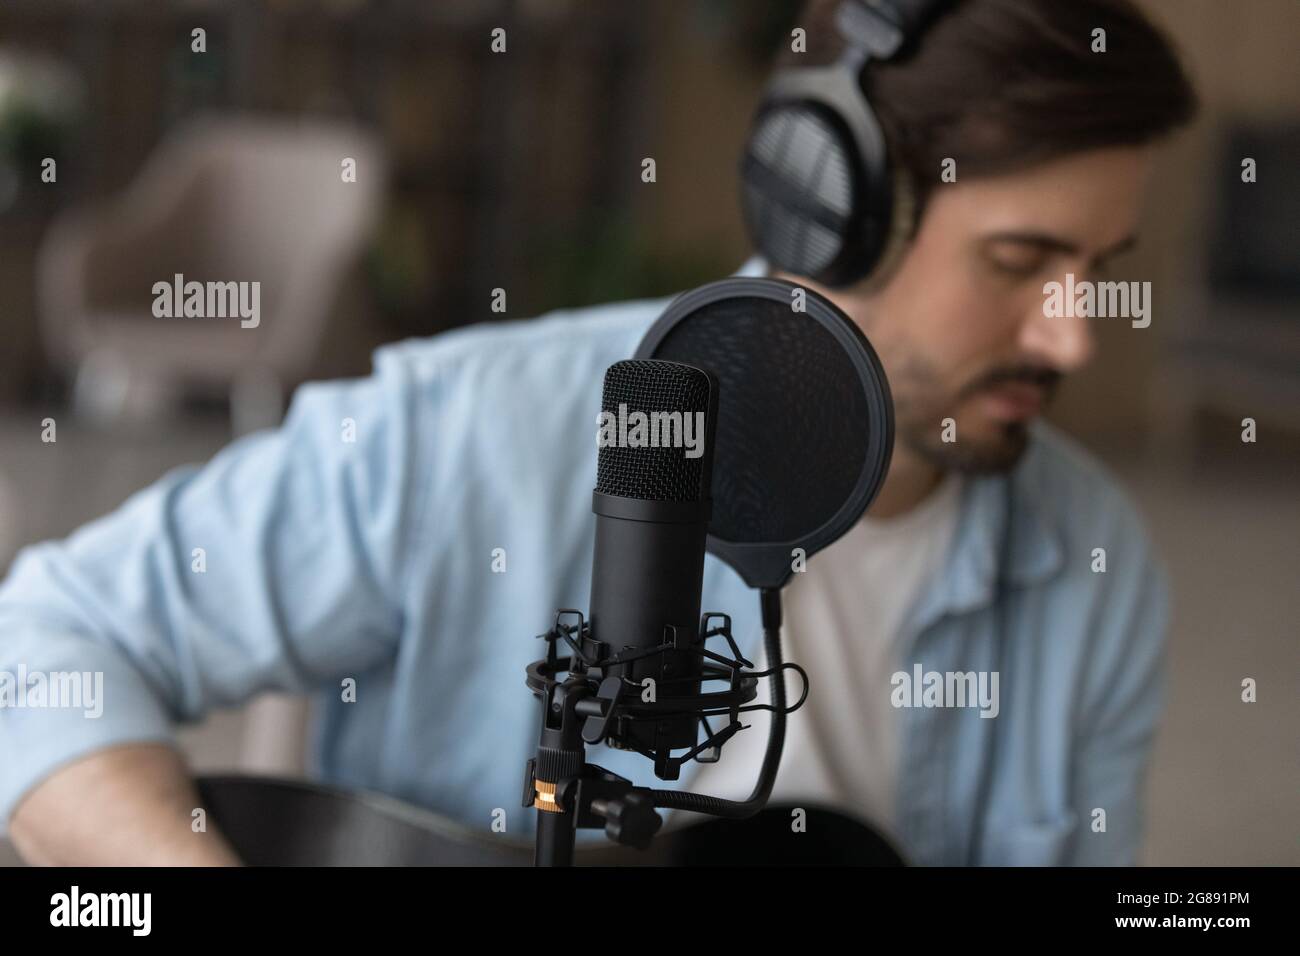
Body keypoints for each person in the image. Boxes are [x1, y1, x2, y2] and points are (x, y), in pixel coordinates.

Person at [0, 0, 1196, 866]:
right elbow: (47, 639)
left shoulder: (1092, 563)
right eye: (1022, 262)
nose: (1072, 339)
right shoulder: (468, 427)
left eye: (1099, 270)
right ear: (828, 214)